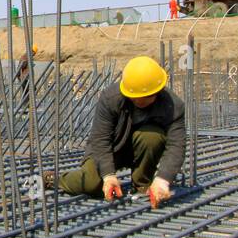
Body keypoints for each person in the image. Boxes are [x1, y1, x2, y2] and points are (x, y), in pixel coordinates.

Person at [50, 55, 185, 208]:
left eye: (145, 97)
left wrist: (163, 180)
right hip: (111, 149)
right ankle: (55, 180)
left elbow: (176, 145)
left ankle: (142, 185)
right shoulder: (111, 98)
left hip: (142, 150)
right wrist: (108, 176)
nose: (139, 101)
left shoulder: (173, 106)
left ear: (157, 91)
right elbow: (100, 139)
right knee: (91, 184)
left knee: (152, 136)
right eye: (134, 97)